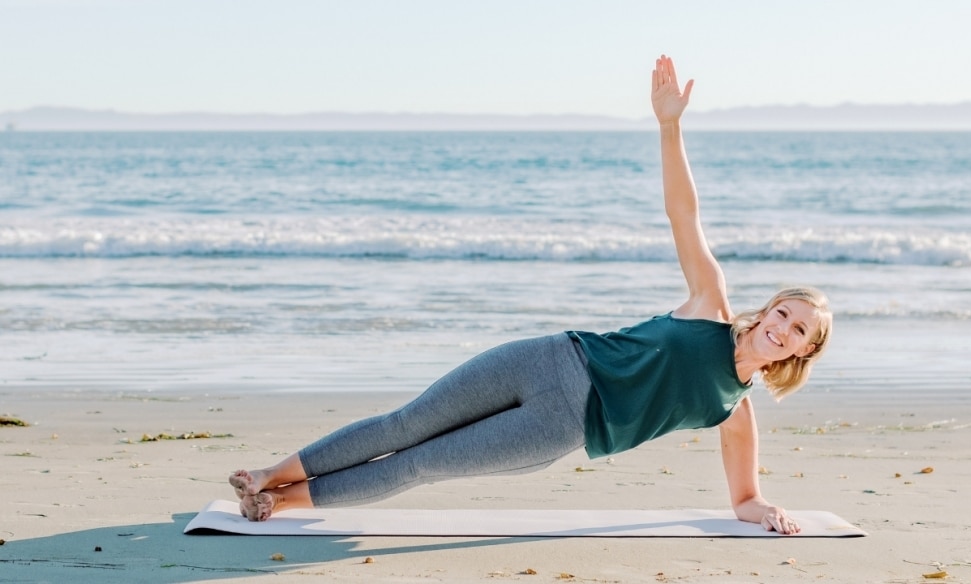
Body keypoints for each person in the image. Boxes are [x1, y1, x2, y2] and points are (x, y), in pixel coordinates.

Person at [229, 55, 832, 536]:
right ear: (770, 307)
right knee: (404, 424)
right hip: (548, 357)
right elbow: (684, 215)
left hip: (561, 423)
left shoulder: (735, 409)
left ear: (798, 354)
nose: (782, 327)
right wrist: (669, 127)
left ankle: (280, 504)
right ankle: (265, 474)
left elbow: (745, 498)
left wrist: (769, 512)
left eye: (798, 330)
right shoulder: (710, 304)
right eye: (785, 312)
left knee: (419, 464)